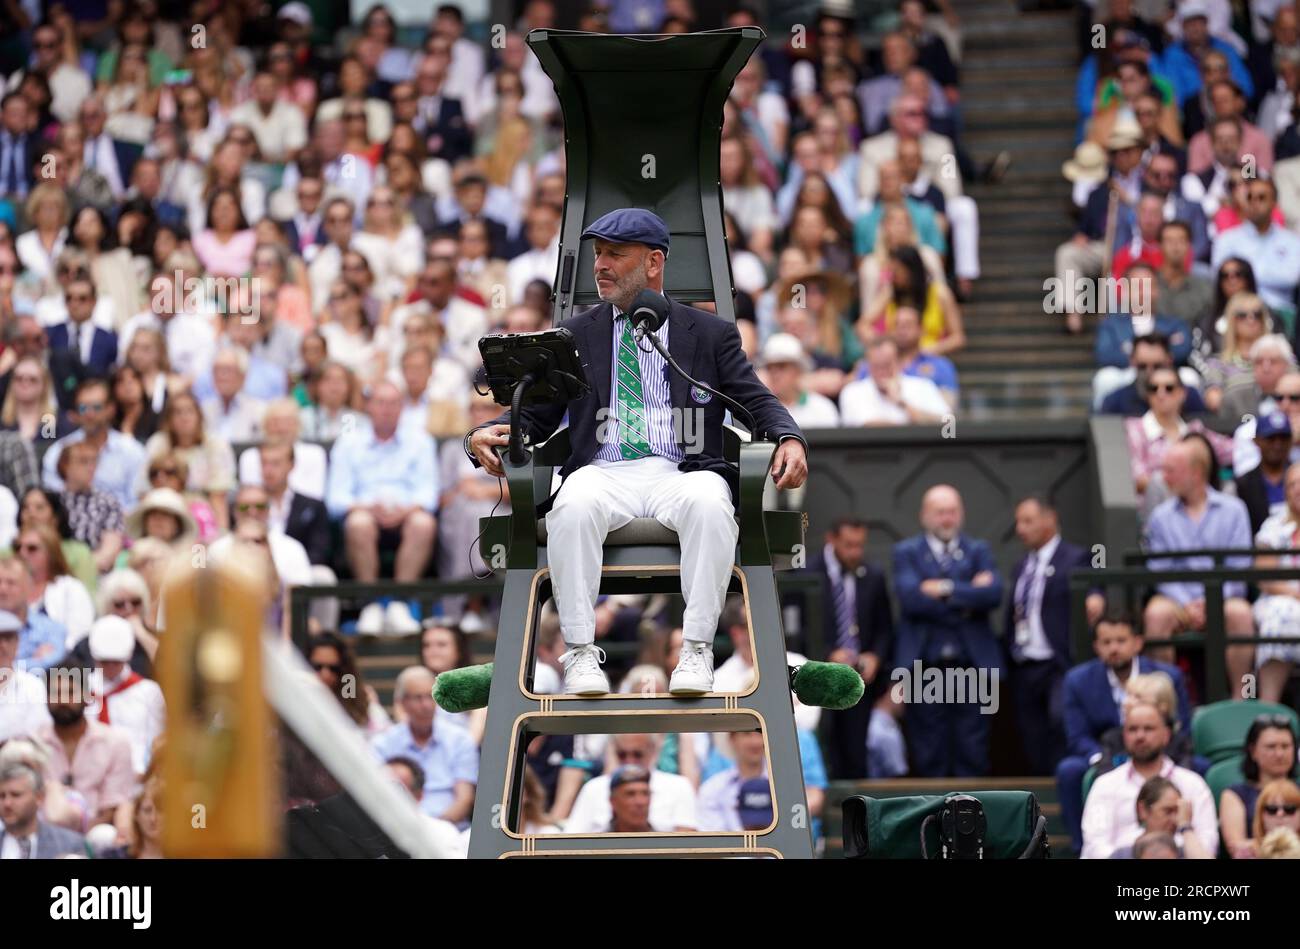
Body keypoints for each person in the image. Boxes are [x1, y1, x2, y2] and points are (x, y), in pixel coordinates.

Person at [466, 208, 807, 696]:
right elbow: (536, 413)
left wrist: (789, 437)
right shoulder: (576, 333)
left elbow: (755, 400)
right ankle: (580, 654)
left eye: (614, 255)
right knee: (573, 505)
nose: (600, 265)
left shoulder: (709, 333)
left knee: (711, 503)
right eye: (597, 254)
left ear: (653, 262)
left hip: (685, 471)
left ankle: (695, 650)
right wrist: (484, 433)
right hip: (604, 472)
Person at [1055, 607, 1194, 854]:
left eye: (1121, 640)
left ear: (1137, 642)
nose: (1114, 648)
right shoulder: (1078, 680)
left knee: (1200, 767)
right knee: (1069, 770)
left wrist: (1162, 755)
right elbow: (1077, 736)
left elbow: (1181, 726)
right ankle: (1082, 848)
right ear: (1096, 646)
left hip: (1163, 751)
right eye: (1106, 642)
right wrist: (1106, 761)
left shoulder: (1168, 675)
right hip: (1108, 753)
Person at [892, 484, 1004, 777]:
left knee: (973, 748)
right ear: (924, 515)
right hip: (924, 667)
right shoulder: (906, 552)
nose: (947, 518)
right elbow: (911, 599)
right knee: (929, 750)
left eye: (952, 511)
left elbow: (992, 595)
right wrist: (967, 597)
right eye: (940, 512)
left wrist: (943, 588)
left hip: (971, 667)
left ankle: (972, 819)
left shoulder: (978, 550)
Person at [1142, 437, 1256, 690]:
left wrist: (1211, 600)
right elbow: (1160, 573)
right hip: (1177, 599)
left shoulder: (1234, 509)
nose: (1164, 477)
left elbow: (1239, 568)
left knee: (1241, 614)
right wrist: (1188, 605)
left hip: (1224, 598)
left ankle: (1241, 698)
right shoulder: (1160, 516)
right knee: (1155, 614)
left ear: (1196, 472)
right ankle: (1168, 701)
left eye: (1171, 470)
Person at [326, 381, 438, 635]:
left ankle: (400, 604)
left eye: (393, 403)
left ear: (402, 408)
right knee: (358, 522)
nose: (386, 409)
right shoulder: (348, 442)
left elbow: (428, 496)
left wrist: (405, 510)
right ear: (368, 407)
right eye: (380, 402)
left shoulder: (421, 441)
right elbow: (336, 499)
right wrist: (367, 508)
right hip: (365, 513)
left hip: (407, 515)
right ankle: (371, 605)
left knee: (423, 523)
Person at [785, 517, 892, 778]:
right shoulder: (805, 574)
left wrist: (875, 656)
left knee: (856, 752)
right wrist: (828, 654)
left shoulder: (873, 575)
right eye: (849, 545)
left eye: (860, 546)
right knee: (825, 748)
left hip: (860, 680)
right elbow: (793, 631)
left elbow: (885, 628)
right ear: (831, 540)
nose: (855, 552)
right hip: (819, 677)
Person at [1005, 495, 1103, 776]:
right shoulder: (1021, 564)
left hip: (1058, 661)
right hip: (1025, 662)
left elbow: (1094, 588)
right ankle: (1039, 788)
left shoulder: (1076, 557)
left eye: (1028, 521)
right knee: (1029, 730)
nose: (1020, 529)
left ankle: (1060, 783)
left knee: (1059, 720)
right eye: (1018, 522)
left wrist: (1095, 598)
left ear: (1050, 519)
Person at [1080, 701, 1218, 859]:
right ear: (1124, 736)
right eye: (1133, 729)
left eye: (1148, 729)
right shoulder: (1105, 785)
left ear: (1166, 735)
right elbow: (1095, 846)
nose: (1140, 736)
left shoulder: (1193, 783)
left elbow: (1208, 844)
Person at [37, 663, 135, 840]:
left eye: (70, 693)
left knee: (104, 835)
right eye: (55, 693)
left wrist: (74, 842)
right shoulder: (31, 744)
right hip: (43, 837)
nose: (62, 701)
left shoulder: (115, 742)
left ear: (88, 696)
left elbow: (112, 809)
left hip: (95, 838)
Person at [370, 666, 477, 828]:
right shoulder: (382, 744)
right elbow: (378, 799)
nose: (426, 705)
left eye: (431, 696)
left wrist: (434, 831)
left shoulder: (460, 740)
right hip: (399, 830)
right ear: (401, 703)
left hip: (450, 832)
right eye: (418, 698)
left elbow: (465, 799)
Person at [43, 378, 148, 513]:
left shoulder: (132, 451)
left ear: (110, 409)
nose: (89, 414)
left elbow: (136, 502)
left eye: (96, 407)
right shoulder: (58, 451)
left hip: (120, 526)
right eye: (83, 408)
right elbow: (52, 500)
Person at [563, 733, 697, 833]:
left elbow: (688, 843)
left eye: (637, 754)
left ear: (652, 750)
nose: (629, 762)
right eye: (622, 755)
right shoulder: (594, 788)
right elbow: (571, 841)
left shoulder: (679, 786)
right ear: (612, 801)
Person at [85, 615, 164, 776]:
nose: (111, 667)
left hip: (135, 776)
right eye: (104, 661)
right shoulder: (81, 690)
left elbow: (157, 740)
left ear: (128, 656)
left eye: (117, 661)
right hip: (91, 776)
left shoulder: (149, 692)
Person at [1220, 716, 1299, 858]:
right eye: (1271, 746)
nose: (1279, 754)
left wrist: (1257, 844)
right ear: (1253, 751)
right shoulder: (1234, 795)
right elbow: (1237, 847)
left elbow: (1249, 845)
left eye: (1285, 746)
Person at [16, 523, 95, 650]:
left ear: (51, 553)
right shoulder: (7, 589)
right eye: (18, 547)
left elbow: (80, 636)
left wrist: (54, 650)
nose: (22, 553)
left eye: (32, 548)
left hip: (61, 666)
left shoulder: (71, 588)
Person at [839, 337, 949, 426]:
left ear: (899, 363)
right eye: (876, 366)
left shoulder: (923, 386)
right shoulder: (852, 392)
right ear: (867, 364)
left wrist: (902, 403)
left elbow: (950, 427)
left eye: (886, 365)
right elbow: (864, 430)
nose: (881, 372)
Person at [57, 440, 124, 573]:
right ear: (65, 466)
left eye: (94, 461)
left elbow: (109, 553)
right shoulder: (51, 502)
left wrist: (77, 569)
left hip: (95, 573)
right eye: (83, 461)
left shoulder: (108, 502)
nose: (90, 467)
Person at [307, 631, 389, 736]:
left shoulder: (364, 706)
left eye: (334, 668)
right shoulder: (296, 701)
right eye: (317, 667)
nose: (325, 674)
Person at [1109, 776, 1212, 859]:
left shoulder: (1185, 852)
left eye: (1178, 811)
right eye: (1168, 811)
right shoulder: (1122, 854)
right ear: (1143, 810)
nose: (1175, 819)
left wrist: (1185, 826)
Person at [0, 763, 86, 859]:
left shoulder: (69, 844)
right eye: (2, 796)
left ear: (39, 798)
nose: (7, 803)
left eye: (16, 795)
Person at [0, 555, 67, 672]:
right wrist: (34, 661)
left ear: (29, 587)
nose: (3, 589)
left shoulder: (52, 629)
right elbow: (41, 665)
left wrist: (7, 665)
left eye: (11, 583)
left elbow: (54, 662)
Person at [0, 610, 51, 743]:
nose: (2, 645)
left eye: (8, 638)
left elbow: (38, 734)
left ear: (17, 643)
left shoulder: (33, 686)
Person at [1251, 777, 1300, 844]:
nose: (1280, 813)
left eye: (1289, 809)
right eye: (1272, 809)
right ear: (1261, 815)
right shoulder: (1247, 853)